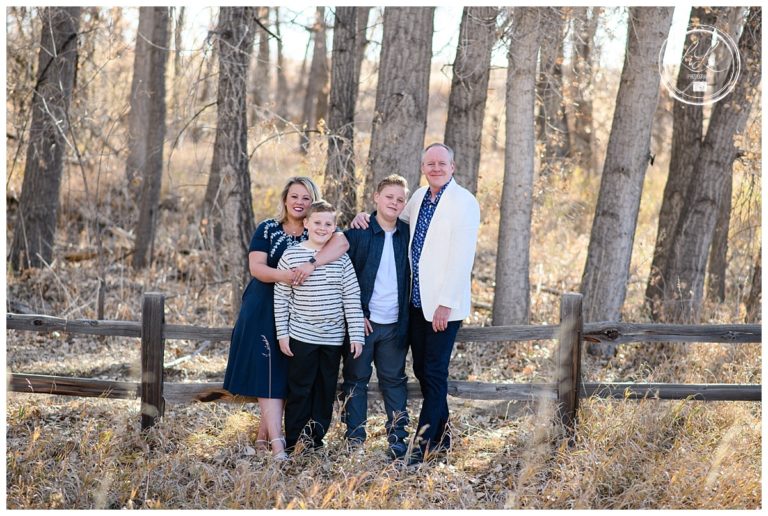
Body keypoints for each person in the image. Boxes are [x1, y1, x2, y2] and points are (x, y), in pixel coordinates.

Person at [351, 143, 480, 464]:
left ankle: (422, 448)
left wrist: (446, 304)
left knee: (433, 373)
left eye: (442, 163)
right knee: (423, 371)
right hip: (417, 304)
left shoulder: (464, 202)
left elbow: (462, 258)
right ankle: (442, 439)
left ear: (452, 167)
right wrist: (364, 217)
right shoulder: (420, 197)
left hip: (442, 307)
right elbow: (390, 217)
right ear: (423, 167)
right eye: (430, 163)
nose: (436, 168)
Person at [223, 177, 349, 460]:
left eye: (306, 197)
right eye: (294, 196)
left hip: (301, 311)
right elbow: (256, 268)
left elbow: (342, 243)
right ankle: (276, 440)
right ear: (285, 199)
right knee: (267, 370)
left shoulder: (318, 227)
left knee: (286, 372)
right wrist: (288, 275)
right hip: (264, 305)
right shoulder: (268, 228)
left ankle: (264, 436)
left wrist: (310, 265)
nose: (299, 202)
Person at [274, 200, 366, 454]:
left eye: (328, 224)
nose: (322, 228)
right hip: (301, 336)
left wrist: (356, 335)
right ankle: (294, 441)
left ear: (335, 227)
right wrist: (283, 334)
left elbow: (351, 298)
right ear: (306, 223)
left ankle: (315, 440)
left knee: (325, 390)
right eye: (317, 222)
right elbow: (281, 298)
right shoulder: (292, 255)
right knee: (300, 388)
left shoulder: (341, 259)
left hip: (332, 339)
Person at [341, 174, 411, 460]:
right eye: (389, 197)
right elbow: (343, 276)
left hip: (395, 325)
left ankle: (398, 442)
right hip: (363, 324)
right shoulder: (358, 233)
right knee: (356, 380)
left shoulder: (408, 234)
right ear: (376, 198)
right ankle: (355, 442)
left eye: (400, 199)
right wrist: (356, 313)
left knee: (394, 381)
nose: (394, 203)